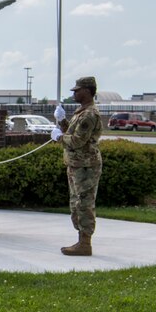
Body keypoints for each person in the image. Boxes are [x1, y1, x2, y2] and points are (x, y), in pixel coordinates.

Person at [51, 76, 102, 256]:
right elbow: (72, 133)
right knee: (76, 203)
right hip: (76, 165)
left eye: (77, 90)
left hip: (85, 166)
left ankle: (85, 243)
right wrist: (63, 121)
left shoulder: (89, 114)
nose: (74, 93)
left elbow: (78, 141)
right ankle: (81, 240)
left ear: (87, 91)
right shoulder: (82, 111)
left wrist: (58, 138)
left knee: (84, 203)